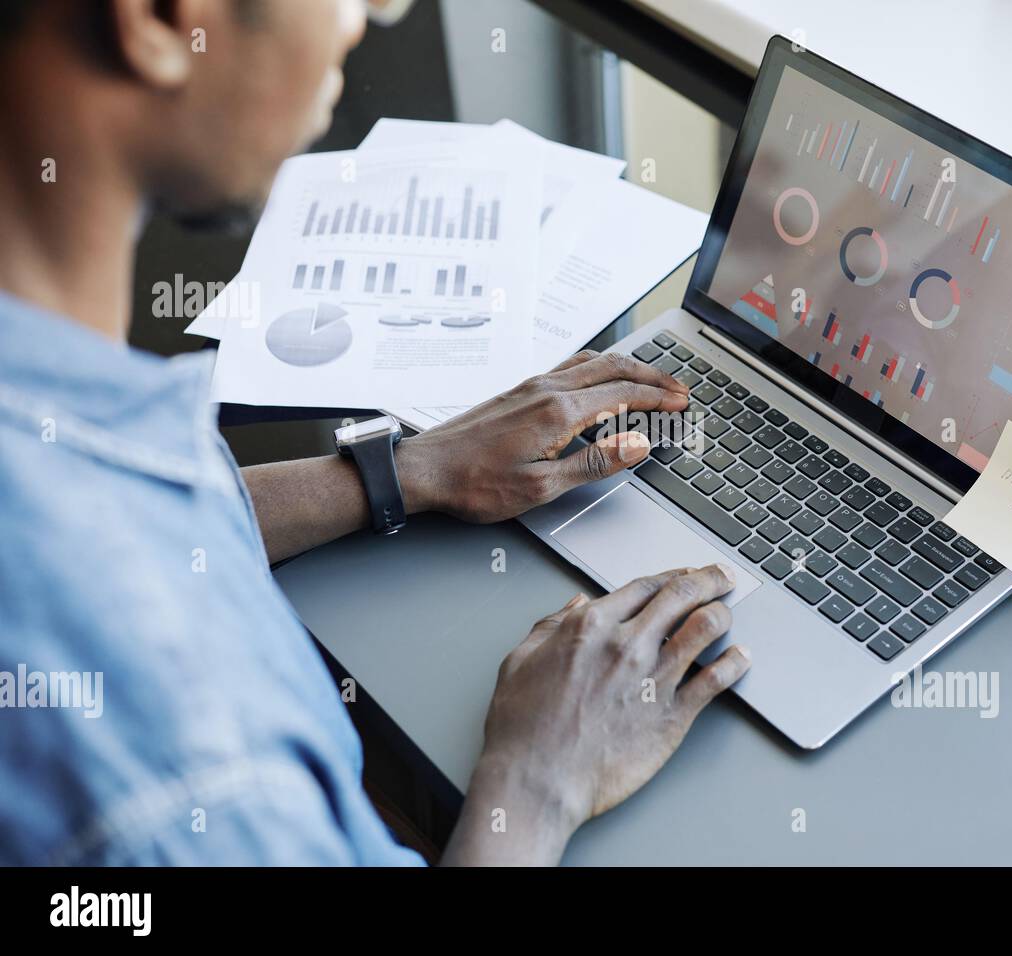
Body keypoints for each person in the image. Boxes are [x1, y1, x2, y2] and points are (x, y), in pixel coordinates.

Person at [0, 0, 750, 866]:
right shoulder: (193, 775)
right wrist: (533, 783)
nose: (385, 9)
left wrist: (402, 471)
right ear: (164, 20)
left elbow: (125, 515)